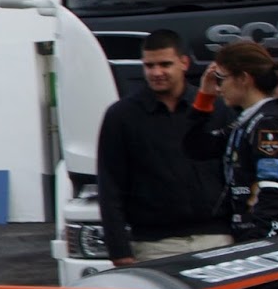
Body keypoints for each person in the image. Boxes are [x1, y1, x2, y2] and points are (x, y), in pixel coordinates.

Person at [96, 29, 233, 265]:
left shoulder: (219, 109)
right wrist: (119, 251)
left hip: (218, 239)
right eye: (149, 66)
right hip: (154, 246)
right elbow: (110, 187)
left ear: (184, 63)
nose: (156, 72)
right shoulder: (121, 116)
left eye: (165, 64)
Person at [188, 39, 278, 243]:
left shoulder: (267, 123)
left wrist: (259, 243)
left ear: (243, 78)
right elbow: (196, 147)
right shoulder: (246, 122)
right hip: (250, 233)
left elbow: (272, 191)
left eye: (221, 79)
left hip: (269, 240)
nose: (218, 88)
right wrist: (203, 99)